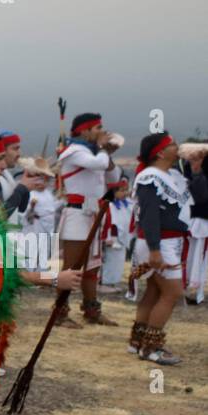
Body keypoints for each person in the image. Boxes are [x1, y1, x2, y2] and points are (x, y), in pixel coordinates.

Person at [55, 112, 122, 327]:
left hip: (93, 214)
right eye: (97, 128)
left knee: (92, 267)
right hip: (77, 213)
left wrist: (107, 153)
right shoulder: (74, 151)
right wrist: (103, 150)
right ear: (84, 130)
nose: (101, 131)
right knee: (72, 266)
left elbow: (114, 177)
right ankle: (60, 312)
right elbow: (96, 165)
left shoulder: (95, 153)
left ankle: (91, 310)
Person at [129, 132, 190, 364]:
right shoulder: (150, 176)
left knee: (154, 291)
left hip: (166, 242)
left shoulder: (172, 174)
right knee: (172, 293)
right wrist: (155, 250)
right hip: (159, 242)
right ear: (161, 152)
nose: (178, 147)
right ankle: (151, 348)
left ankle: (137, 343)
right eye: (172, 144)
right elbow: (150, 214)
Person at [183, 146, 208, 305]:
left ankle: (195, 288)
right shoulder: (194, 171)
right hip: (201, 219)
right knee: (197, 255)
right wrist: (196, 169)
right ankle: (193, 289)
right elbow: (200, 196)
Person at [101, 177, 133, 290]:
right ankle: (106, 282)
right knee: (110, 260)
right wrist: (108, 237)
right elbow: (109, 222)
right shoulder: (109, 205)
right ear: (113, 192)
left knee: (119, 261)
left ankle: (115, 281)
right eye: (122, 190)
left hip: (122, 237)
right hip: (113, 238)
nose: (125, 193)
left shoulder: (126, 204)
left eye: (126, 190)